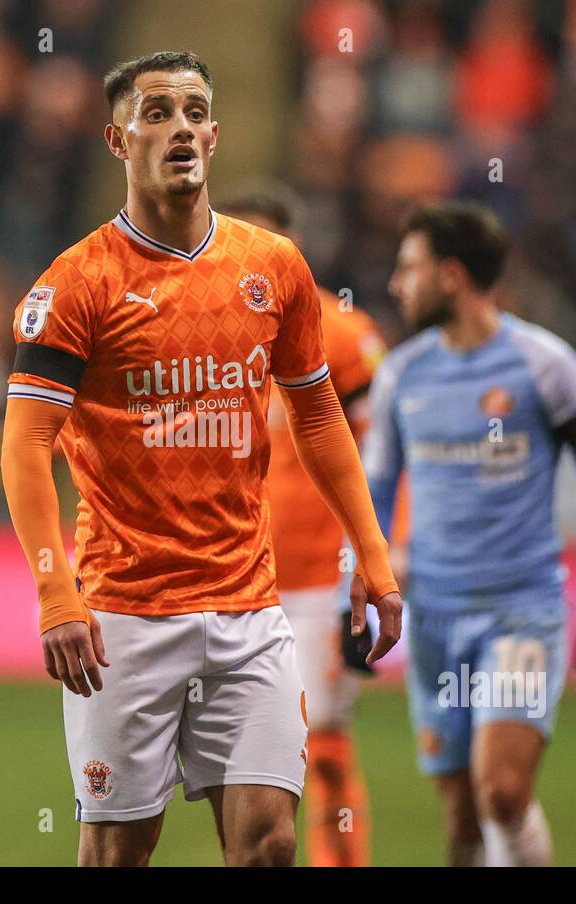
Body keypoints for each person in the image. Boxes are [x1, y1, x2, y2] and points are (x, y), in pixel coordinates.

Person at [0, 51, 402, 867]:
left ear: (213, 135)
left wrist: (374, 553)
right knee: (118, 854)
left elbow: (321, 417)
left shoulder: (273, 268)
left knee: (270, 845)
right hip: (126, 617)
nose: (178, 126)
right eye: (156, 112)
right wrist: (55, 593)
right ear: (118, 140)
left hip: (250, 610)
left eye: (192, 112)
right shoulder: (76, 285)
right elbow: (25, 445)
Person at [363, 201, 576, 865]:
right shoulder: (401, 375)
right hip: (433, 617)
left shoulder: (546, 366)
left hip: (519, 612)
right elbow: (374, 491)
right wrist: (363, 585)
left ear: (450, 276)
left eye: (409, 268)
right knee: (460, 819)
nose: (397, 285)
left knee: (503, 791)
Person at [221, 180, 386, 867]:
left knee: (320, 741)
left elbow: (380, 461)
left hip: (320, 579)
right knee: (235, 754)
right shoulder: (202, 335)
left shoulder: (343, 335)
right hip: (231, 578)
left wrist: (370, 566)